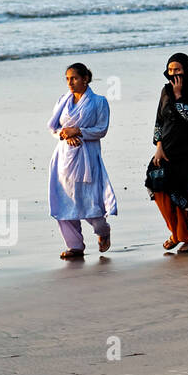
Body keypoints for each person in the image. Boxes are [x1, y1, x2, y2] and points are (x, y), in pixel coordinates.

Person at [47, 62, 117, 260]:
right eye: (68, 79)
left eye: (74, 78)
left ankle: (103, 231)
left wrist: (78, 131)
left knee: (91, 200)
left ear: (85, 79)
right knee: (64, 201)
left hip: (87, 157)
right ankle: (75, 246)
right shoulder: (63, 100)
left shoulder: (99, 102)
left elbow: (101, 129)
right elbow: (53, 128)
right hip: (63, 159)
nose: (70, 82)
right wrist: (64, 135)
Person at [145, 52, 188, 254]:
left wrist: (179, 96)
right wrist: (158, 146)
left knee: (185, 194)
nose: (173, 75)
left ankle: (187, 239)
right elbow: (159, 120)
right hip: (167, 150)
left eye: (177, 70)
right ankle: (175, 233)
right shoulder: (165, 90)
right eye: (170, 70)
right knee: (159, 187)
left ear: (187, 70)